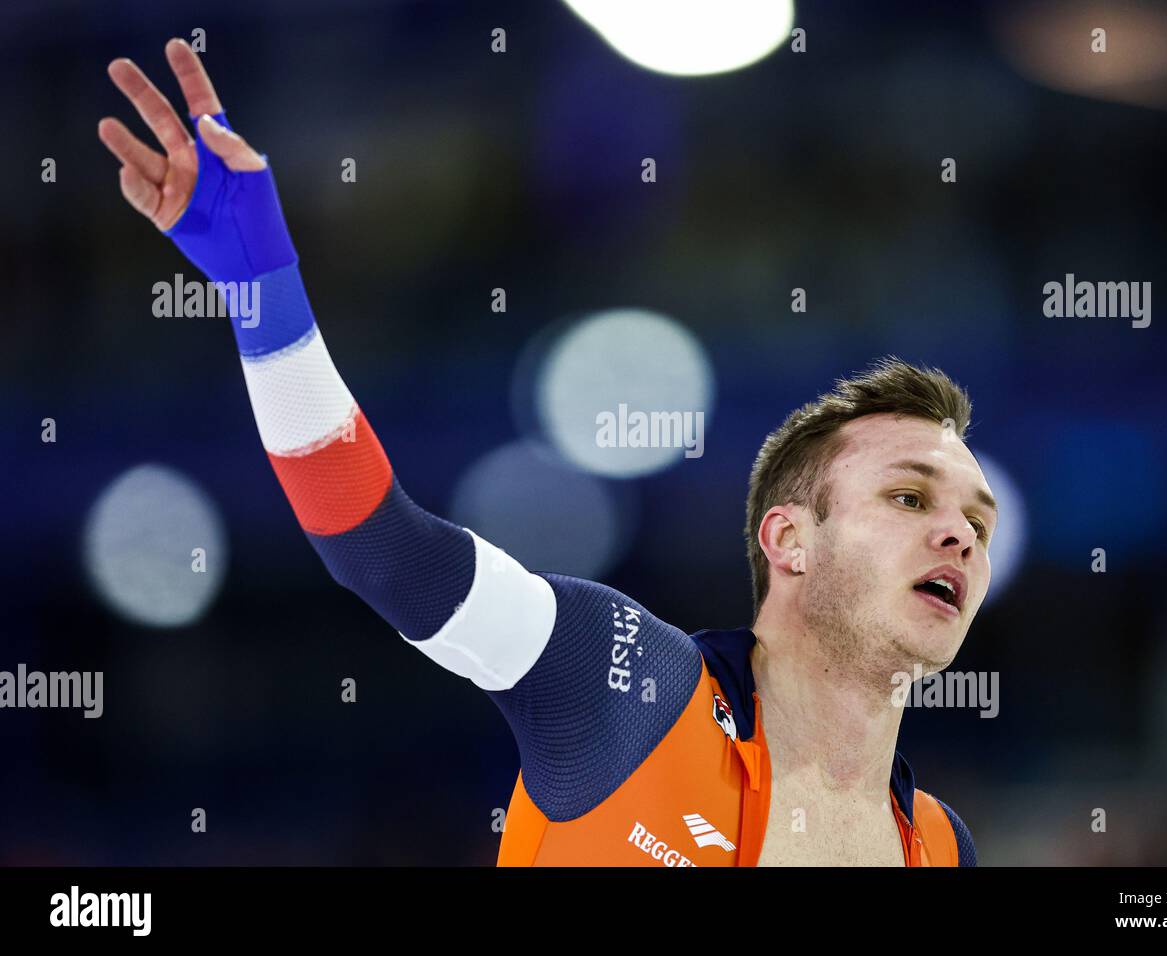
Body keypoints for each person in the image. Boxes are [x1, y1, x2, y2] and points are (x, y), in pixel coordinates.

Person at [99, 40, 994, 866]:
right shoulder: (626, 683)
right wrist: (264, 286)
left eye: (977, 522)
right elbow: (383, 546)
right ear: (787, 541)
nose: (960, 536)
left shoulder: (940, 849)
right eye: (910, 498)